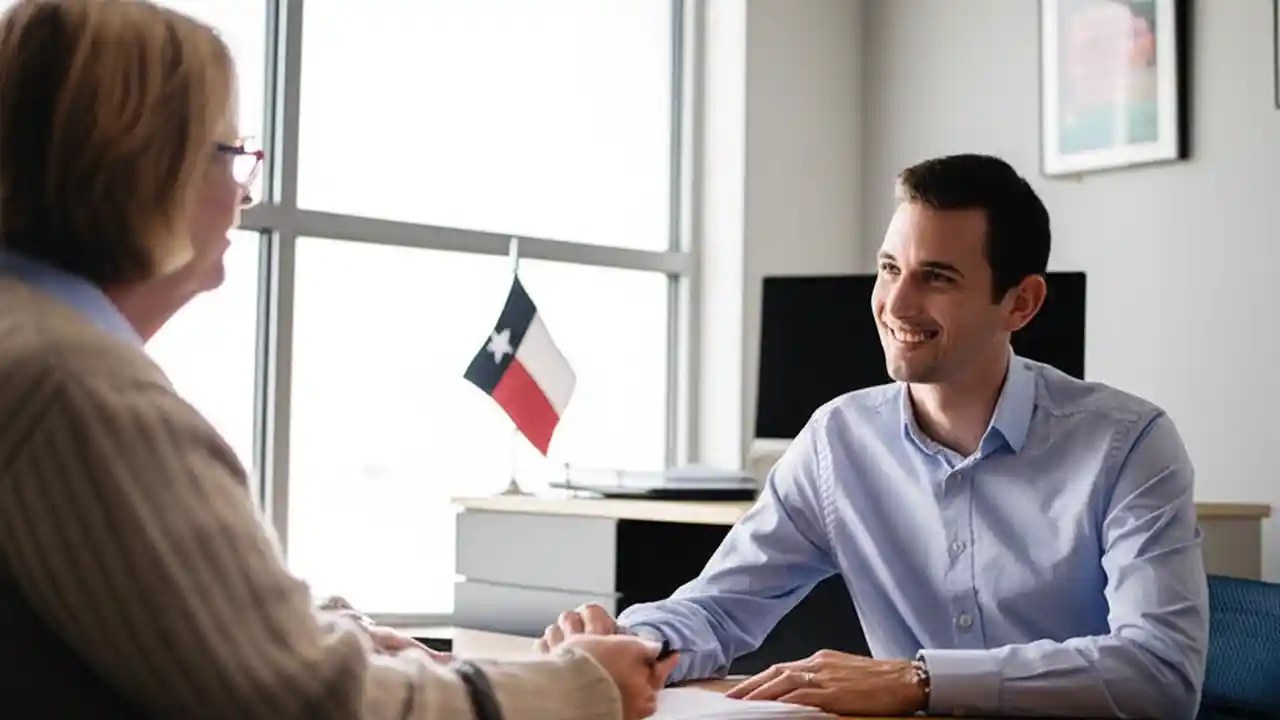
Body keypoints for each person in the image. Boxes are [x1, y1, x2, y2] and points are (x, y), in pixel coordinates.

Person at [0, 1, 677, 718]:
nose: (246, 195)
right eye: (232, 155)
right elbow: (309, 704)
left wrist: (317, 632)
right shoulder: (83, 389)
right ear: (146, 165)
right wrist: (581, 685)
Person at [537, 154, 1209, 719]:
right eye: (890, 269)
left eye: (937, 278)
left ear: (1022, 302)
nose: (898, 305)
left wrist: (919, 679)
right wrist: (629, 642)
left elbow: (1160, 670)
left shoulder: (1128, 444)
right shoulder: (838, 441)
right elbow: (718, 610)